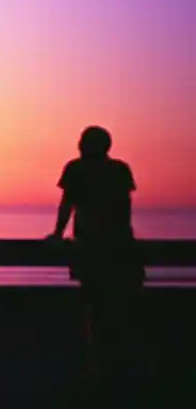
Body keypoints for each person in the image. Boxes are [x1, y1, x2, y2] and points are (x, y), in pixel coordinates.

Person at [46, 125, 143, 388]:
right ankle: (115, 370)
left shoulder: (75, 169)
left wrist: (57, 234)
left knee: (97, 310)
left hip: (93, 249)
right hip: (120, 248)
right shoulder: (120, 170)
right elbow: (124, 208)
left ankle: (99, 372)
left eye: (82, 140)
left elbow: (67, 203)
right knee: (117, 311)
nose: (78, 144)